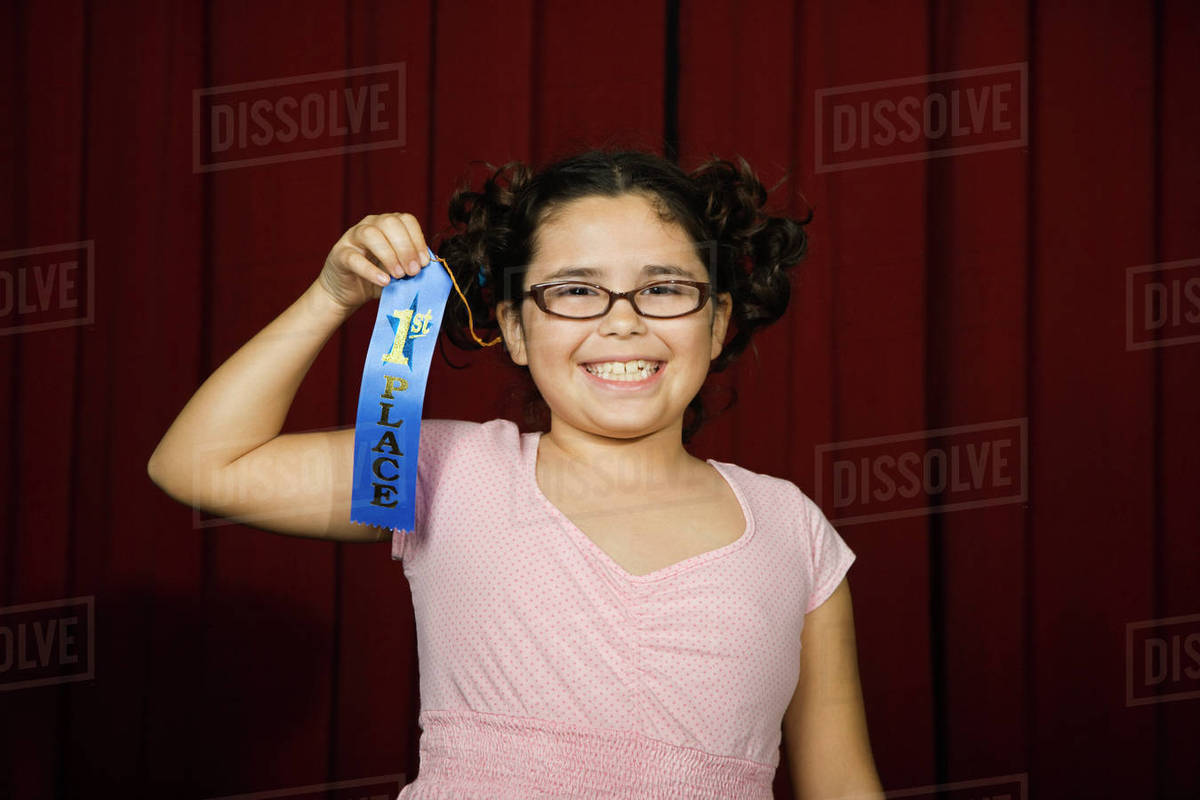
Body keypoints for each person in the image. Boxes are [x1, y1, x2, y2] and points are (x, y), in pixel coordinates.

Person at [147, 148, 884, 799]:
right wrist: (330, 298)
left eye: (663, 288)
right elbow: (203, 465)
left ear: (718, 322)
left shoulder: (791, 528)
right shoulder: (443, 470)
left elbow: (843, 784)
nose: (622, 321)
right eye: (573, 290)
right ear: (514, 329)